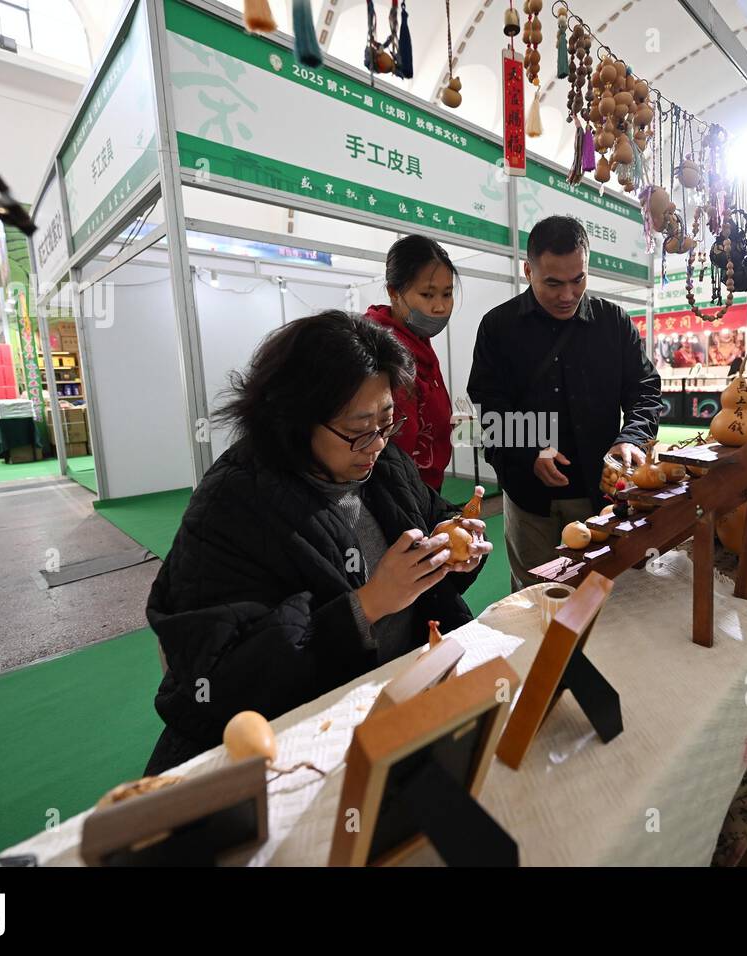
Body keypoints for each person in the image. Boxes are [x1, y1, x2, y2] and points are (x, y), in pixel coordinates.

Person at [143, 312, 491, 774]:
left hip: (388, 710)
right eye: (358, 428)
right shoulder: (231, 506)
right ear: (295, 418)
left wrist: (453, 544)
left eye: (388, 421)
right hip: (284, 751)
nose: (376, 443)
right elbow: (223, 675)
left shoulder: (384, 464)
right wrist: (365, 607)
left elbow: (429, 518)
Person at [467, 215, 661, 591]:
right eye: (553, 283)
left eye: (579, 280)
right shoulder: (498, 327)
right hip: (529, 499)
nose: (568, 295)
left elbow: (645, 389)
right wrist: (529, 450)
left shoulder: (613, 323)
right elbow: (490, 408)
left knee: (601, 593)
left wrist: (632, 439)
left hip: (600, 492)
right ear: (528, 271)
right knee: (535, 598)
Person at [363, 235, 456, 491]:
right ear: (394, 292)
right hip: (392, 490)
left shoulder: (419, 341)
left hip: (423, 487)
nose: (440, 307)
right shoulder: (377, 347)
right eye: (427, 294)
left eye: (447, 294)